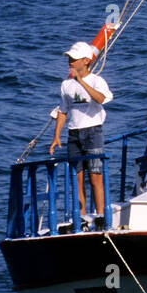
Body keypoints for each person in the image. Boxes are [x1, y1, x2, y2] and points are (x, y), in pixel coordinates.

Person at [49, 41, 113, 225]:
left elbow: (100, 99)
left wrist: (81, 82)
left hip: (93, 132)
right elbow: (63, 111)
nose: (70, 62)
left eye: (74, 59)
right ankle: (82, 217)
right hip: (74, 133)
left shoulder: (96, 81)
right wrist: (56, 137)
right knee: (77, 178)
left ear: (85, 61)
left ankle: (100, 215)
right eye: (69, 58)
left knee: (95, 176)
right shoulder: (65, 85)